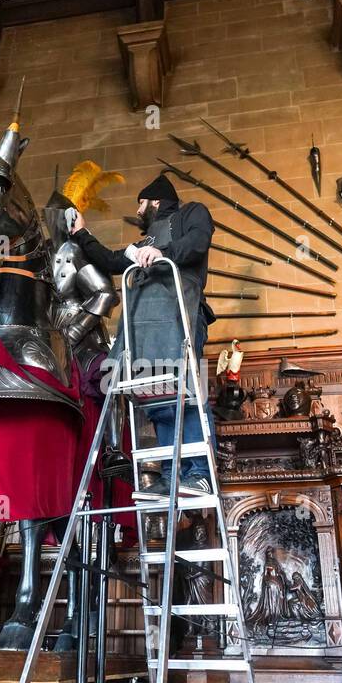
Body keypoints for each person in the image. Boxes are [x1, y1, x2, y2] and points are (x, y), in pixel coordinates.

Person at [68, 173, 216, 496]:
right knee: (156, 397)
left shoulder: (192, 213)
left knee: (188, 392)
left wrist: (163, 254)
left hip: (181, 318)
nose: (137, 212)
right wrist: (81, 234)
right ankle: (170, 473)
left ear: (156, 201)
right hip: (144, 330)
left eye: (140, 204)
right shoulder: (141, 245)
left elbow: (198, 242)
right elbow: (108, 259)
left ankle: (199, 472)